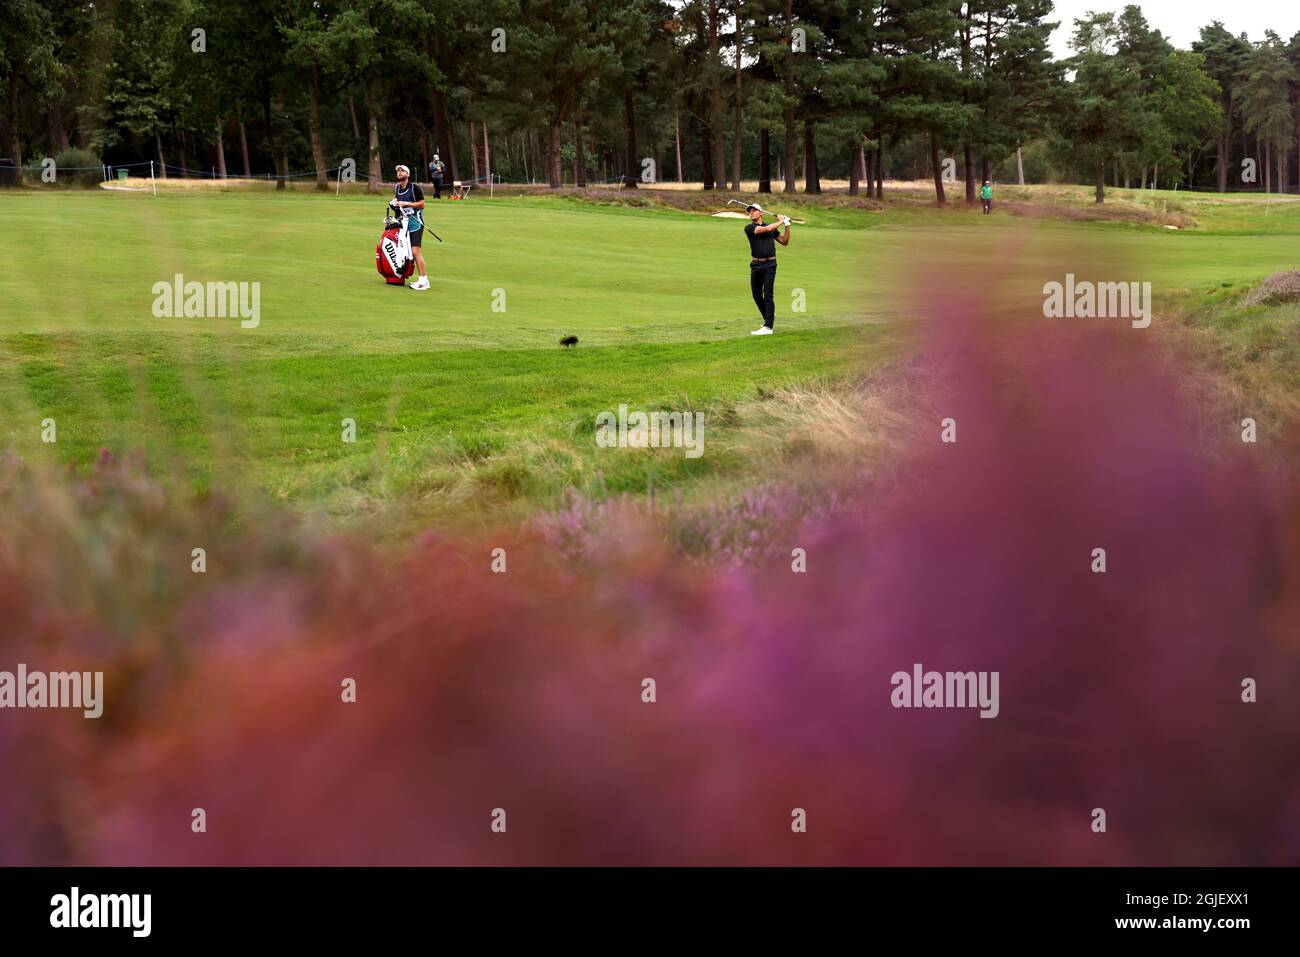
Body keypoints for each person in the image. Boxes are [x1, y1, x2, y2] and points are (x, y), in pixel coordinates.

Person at [744, 203, 790, 335]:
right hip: (756, 265)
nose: (751, 213)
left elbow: (784, 241)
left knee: (768, 295)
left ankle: (768, 327)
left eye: (754, 210)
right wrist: (781, 220)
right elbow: (767, 229)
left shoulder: (770, 228)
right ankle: (768, 317)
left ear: (761, 213)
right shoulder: (749, 228)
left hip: (770, 265)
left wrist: (787, 225)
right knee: (756, 295)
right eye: (749, 211)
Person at [392, 164, 429, 290]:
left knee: (415, 251)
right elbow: (398, 208)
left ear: (408, 175)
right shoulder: (397, 188)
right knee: (406, 253)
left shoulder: (414, 188)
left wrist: (406, 203)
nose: (400, 172)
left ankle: (424, 281)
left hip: (416, 223)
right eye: (398, 171)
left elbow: (422, 204)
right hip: (404, 224)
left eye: (403, 171)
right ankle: (404, 273)